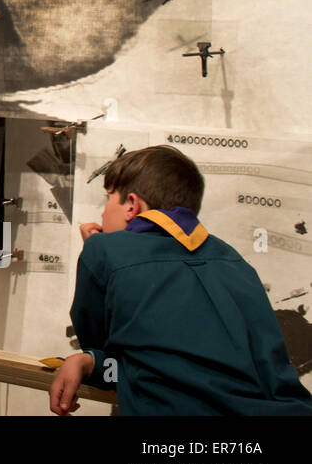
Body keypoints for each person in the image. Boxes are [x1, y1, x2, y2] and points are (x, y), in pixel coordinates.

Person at [49, 145, 312, 416]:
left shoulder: (102, 250)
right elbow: (269, 365)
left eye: (107, 199)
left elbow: (111, 357)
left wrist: (96, 256)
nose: (103, 214)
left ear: (131, 205)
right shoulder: (233, 260)